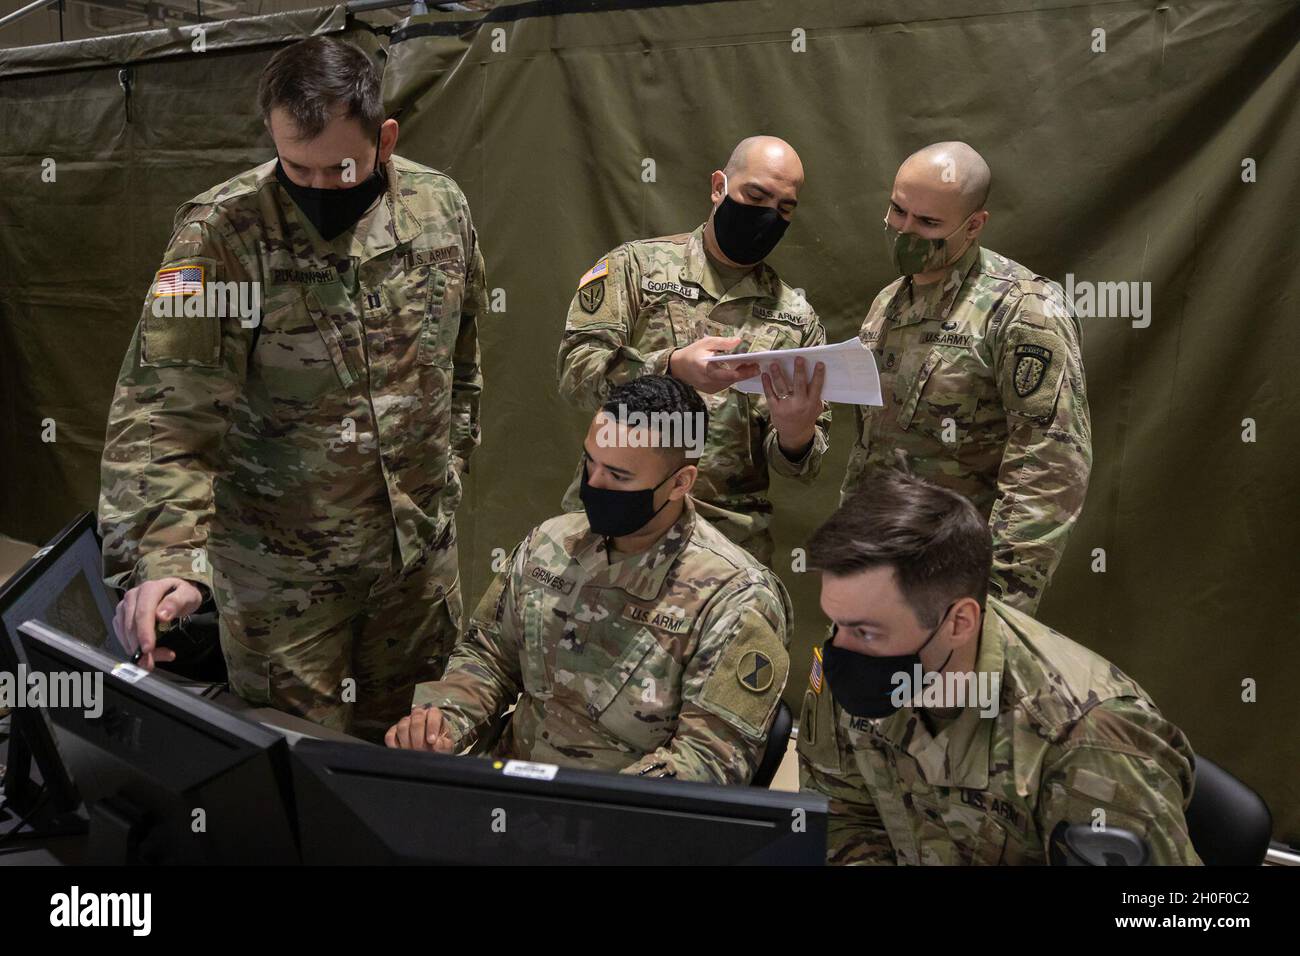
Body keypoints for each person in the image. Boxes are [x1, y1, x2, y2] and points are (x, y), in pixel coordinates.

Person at [98, 36, 487, 742]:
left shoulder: (441, 210)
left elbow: (461, 363)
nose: (316, 188)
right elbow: (163, 412)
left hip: (416, 571)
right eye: (294, 165)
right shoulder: (221, 234)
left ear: (385, 138)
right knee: (301, 773)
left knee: (415, 758)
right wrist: (165, 558)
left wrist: (450, 469)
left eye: (339, 167)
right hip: (284, 585)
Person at [388, 375, 792, 784]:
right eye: (589, 463)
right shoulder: (550, 543)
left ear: (679, 483)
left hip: (624, 817)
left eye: (618, 477)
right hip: (510, 782)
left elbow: (711, 759)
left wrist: (591, 804)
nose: (593, 486)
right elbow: (490, 657)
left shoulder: (735, 598)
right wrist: (442, 722)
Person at [797, 468, 1201, 865]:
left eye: (866, 632)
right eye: (836, 622)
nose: (839, 647)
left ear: (959, 623)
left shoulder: (1084, 739)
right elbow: (843, 816)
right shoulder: (854, 660)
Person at [557, 135, 830, 566]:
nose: (767, 216)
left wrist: (797, 434)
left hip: (725, 542)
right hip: (615, 518)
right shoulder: (636, 268)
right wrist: (668, 367)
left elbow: (802, 467)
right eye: (755, 196)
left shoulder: (797, 319)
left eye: (784, 208)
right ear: (719, 186)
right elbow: (576, 375)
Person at [843, 141, 1091, 614]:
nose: (905, 231)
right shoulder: (888, 303)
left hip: (955, 584)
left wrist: (997, 603)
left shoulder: (1023, 310)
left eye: (929, 223)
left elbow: (1050, 467)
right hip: (872, 567)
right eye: (898, 211)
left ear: (974, 225)